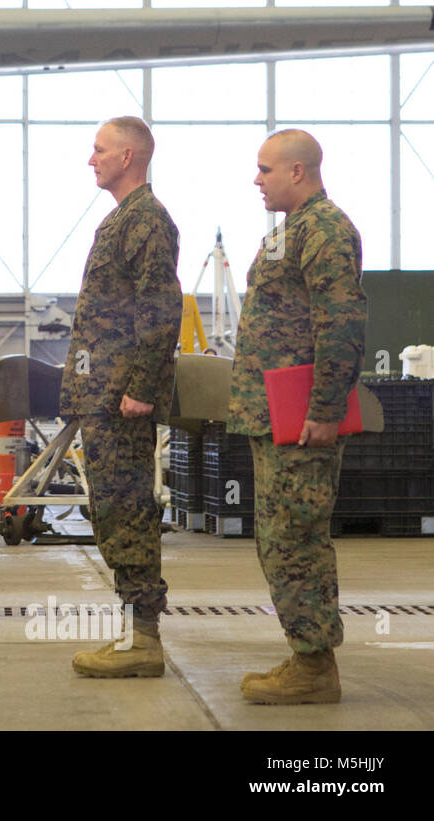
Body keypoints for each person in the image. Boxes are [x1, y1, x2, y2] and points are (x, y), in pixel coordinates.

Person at [229, 129, 366, 705]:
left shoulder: (327, 231)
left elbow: (341, 324)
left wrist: (326, 411)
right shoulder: (292, 232)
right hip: (276, 416)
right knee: (280, 537)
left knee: (297, 538)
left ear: (297, 172)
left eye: (265, 170)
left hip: (303, 418)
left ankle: (314, 666)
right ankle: (305, 652)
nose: (256, 180)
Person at [60, 116, 182, 677]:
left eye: (99, 150)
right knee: (111, 508)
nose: (92, 159)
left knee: (128, 509)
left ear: (128, 156)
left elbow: (160, 308)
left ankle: (144, 641)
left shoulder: (147, 221)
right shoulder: (120, 221)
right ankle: (137, 636)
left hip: (121, 399)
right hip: (103, 397)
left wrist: (139, 388)